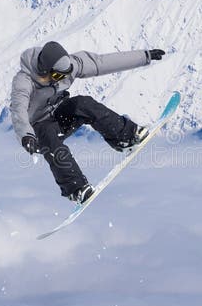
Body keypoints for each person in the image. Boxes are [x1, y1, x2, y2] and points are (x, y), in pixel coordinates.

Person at [10, 41, 165, 203]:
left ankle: (126, 137)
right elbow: (18, 110)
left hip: (59, 116)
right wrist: (26, 136)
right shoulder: (23, 82)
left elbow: (101, 63)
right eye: (57, 76)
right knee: (49, 136)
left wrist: (144, 56)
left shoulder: (70, 66)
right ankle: (76, 189)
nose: (59, 80)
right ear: (44, 69)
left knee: (83, 103)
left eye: (64, 76)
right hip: (36, 130)